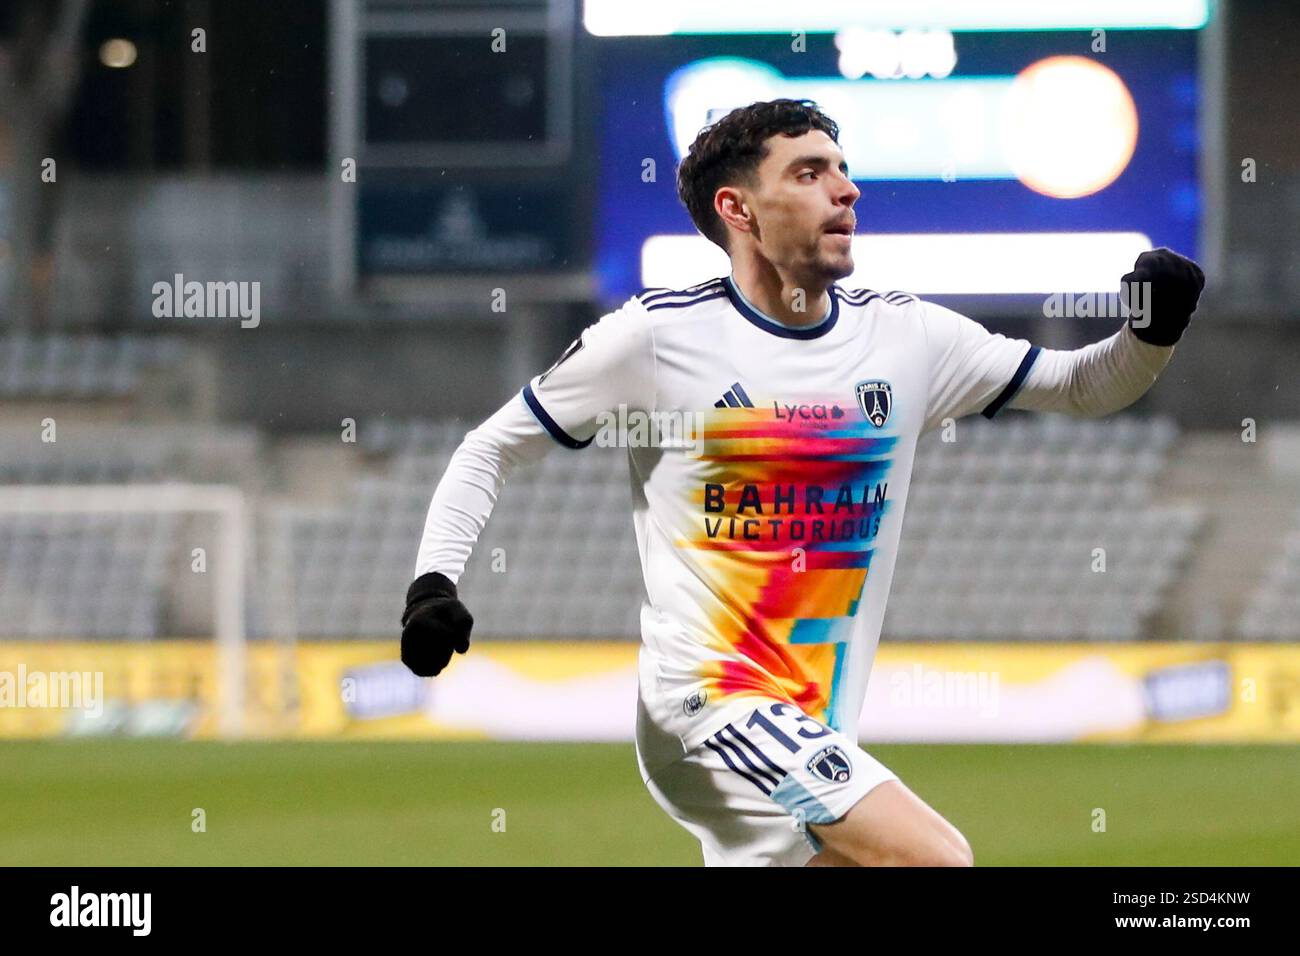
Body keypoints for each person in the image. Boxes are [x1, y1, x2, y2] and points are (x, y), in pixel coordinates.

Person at [400, 98, 1205, 866]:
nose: (847, 189)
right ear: (738, 209)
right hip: (708, 705)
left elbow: (1081, 386)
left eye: (843, 170)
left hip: (812, 719)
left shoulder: (906, 335)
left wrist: (1151, 330)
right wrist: (432, 582)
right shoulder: (655, 339)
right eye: (810, 172)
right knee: (933, 858)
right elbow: (490, 448)